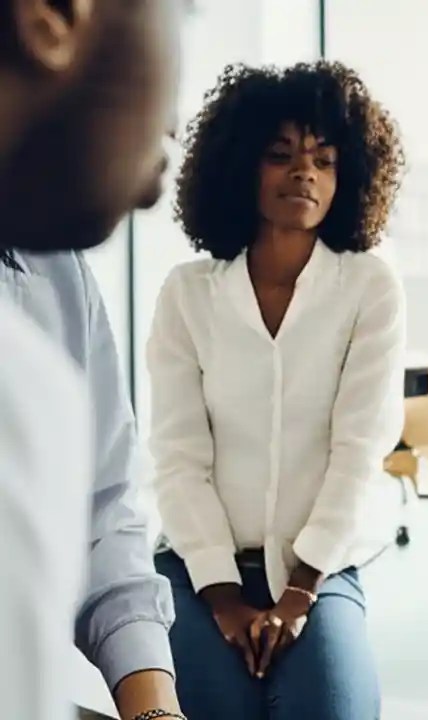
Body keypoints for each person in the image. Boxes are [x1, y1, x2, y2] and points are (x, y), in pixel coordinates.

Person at [147, 60, 406, 720]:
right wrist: (222, 593)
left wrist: (300, 592)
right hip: (201, 570)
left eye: (324, 158)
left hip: (320, 571)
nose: (305, 173)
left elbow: (358, 450)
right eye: (281, 155)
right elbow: (178, 459)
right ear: (240, 167)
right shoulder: (188, 294)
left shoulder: (371, 288)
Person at [0, 0, 184, 718]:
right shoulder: (20, 379)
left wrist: (153, 708)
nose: (173, 121)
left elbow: (101, 509)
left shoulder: (53, 272)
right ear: (51, 15)